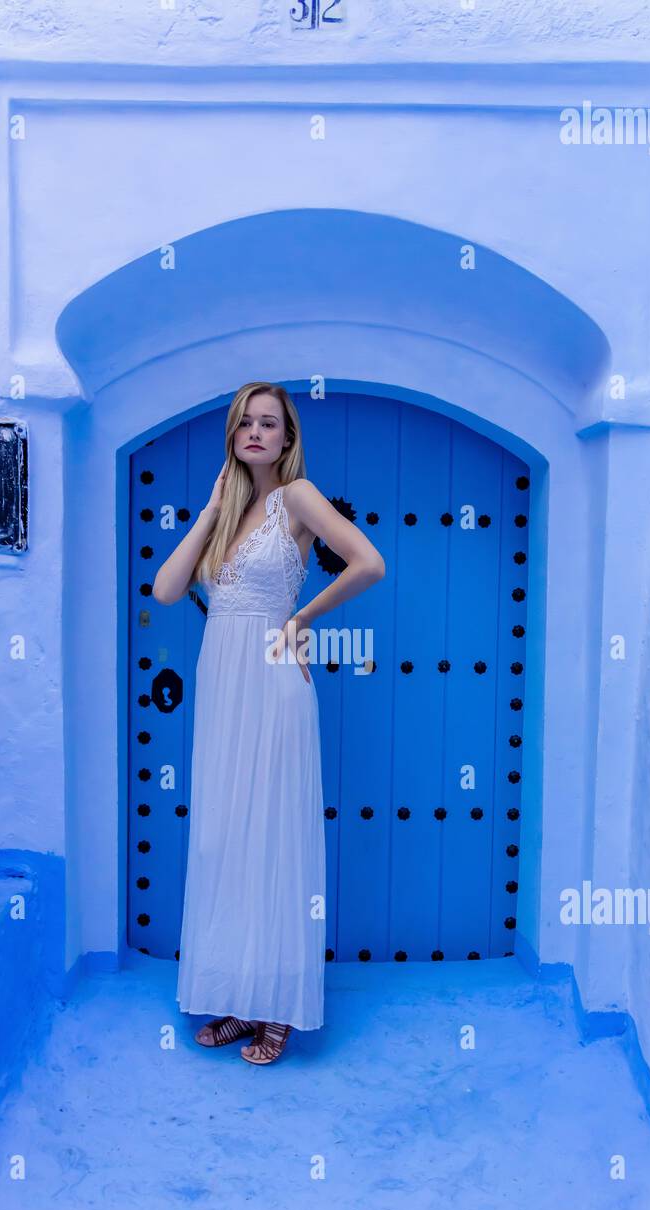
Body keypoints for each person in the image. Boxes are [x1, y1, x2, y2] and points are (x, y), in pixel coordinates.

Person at [152, 382, 385, 1063]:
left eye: (270, 423)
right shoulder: (228, 515)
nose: (257, 432)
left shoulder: (298, 497)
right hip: (222, 687)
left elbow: (370, 563)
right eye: (246, 423)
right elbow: (167, 589)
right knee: (225, 839)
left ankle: (279, 1009)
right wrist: (212, 506)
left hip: (273, 682)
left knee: (273, 837)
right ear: (233, 436)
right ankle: (237, 996)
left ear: (287, 437)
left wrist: (301, 620)